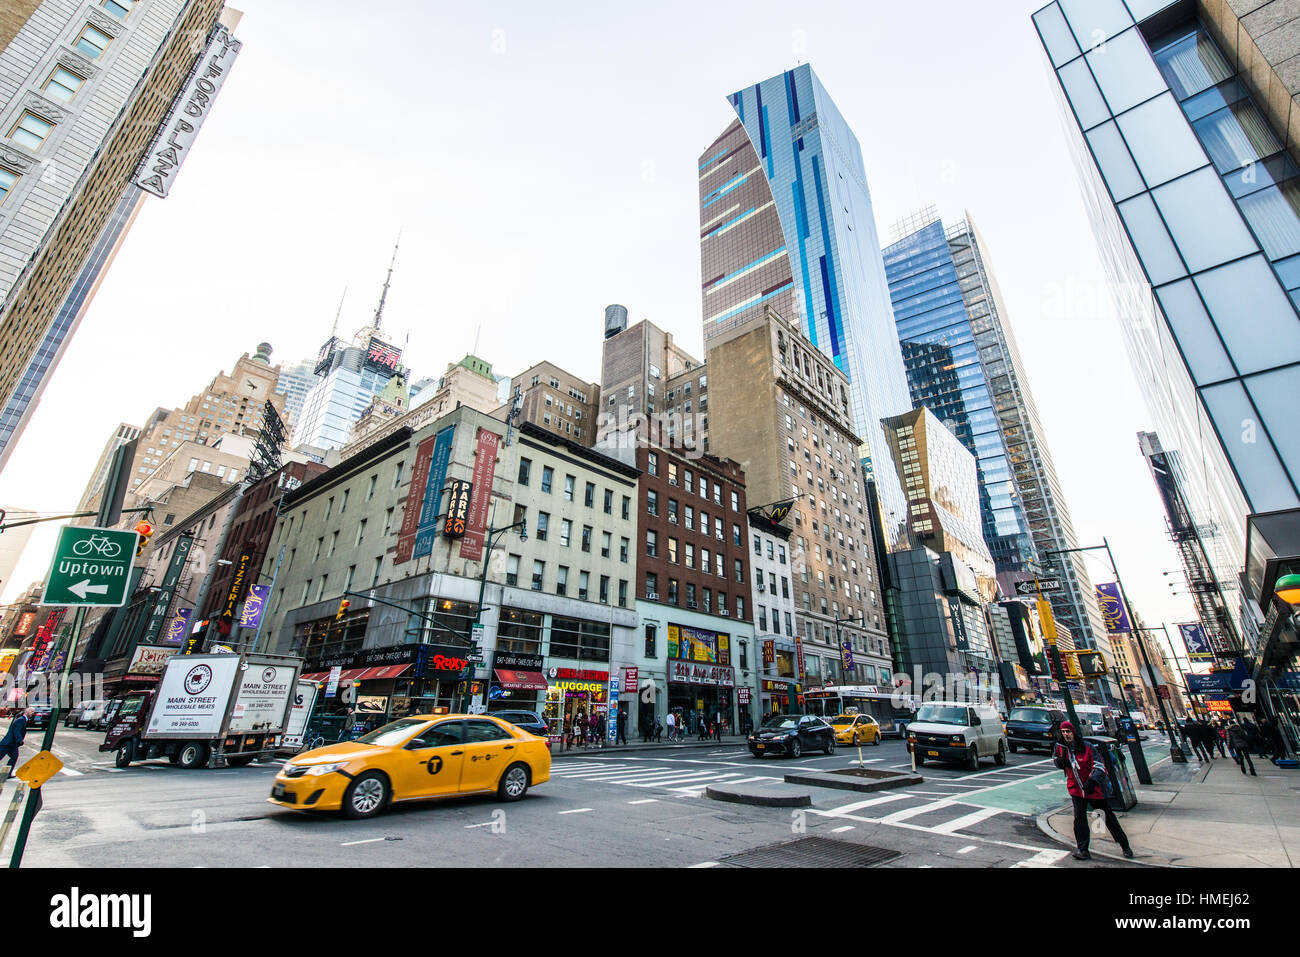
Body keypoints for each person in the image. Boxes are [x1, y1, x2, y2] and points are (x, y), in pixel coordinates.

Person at [1054, 721, 1134, 861]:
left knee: (1107, 817)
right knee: (1079, 819)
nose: (1066, 734)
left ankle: (1125, 846)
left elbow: (1099, 765)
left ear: (1073, 732)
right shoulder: (1061, 747)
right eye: (1063, 732)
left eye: (1068, 731)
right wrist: (1059, 763)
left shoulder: (1087, 747)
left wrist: (1092, 781)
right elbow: (1055, 758)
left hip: (1093, 790)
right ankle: (1083, 850)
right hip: (1076, 790)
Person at [0, 707, 34, 776]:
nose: (33, 713)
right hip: (8, 743)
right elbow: (17, 731)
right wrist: (20, 740)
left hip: (12, 744)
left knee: (14, 757)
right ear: (27, 712)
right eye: (32, 711)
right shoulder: (21, 720)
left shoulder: (23, 719)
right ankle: (7, 773)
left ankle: (7, 773)